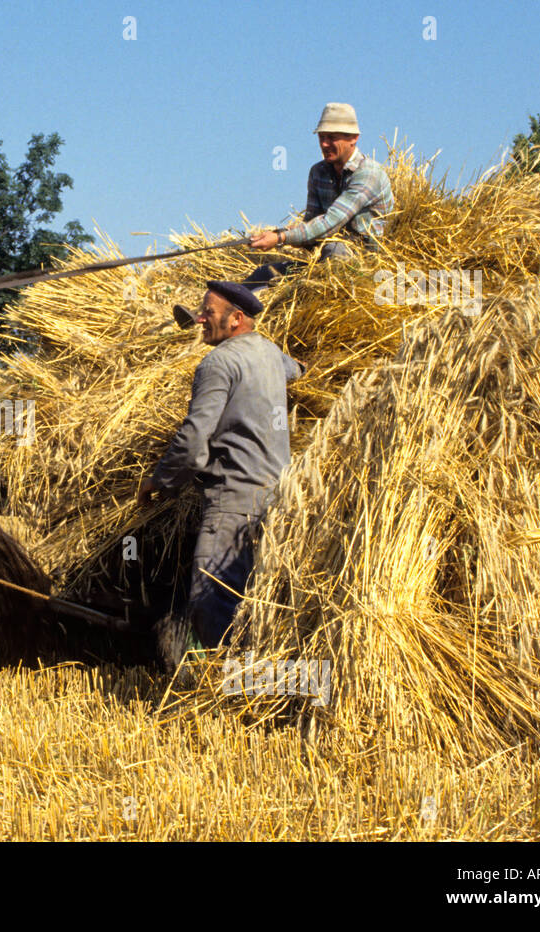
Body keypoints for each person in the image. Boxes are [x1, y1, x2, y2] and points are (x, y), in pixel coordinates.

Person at [139, 282, 303, 664]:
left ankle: (225, 695)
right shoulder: (270, 353)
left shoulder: (217, 364)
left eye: (208, 312)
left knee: (212, 601)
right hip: (277, 497)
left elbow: (194, 440)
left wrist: (160, 481)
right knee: (253, 600)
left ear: (236, 319)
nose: (199, 318)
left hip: (232, 500)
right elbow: (295, 369)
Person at [245, 102, 394, 291]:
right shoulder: (318, 172)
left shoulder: (368, 174)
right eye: (321, 137)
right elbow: (312, 225)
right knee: (264, 274)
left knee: (335, 251)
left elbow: (330, 222)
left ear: (353, 138)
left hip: (365, 262)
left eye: (331, 138)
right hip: (324, 258)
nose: (324, 144)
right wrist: (275, 235)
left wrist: (281, 238)